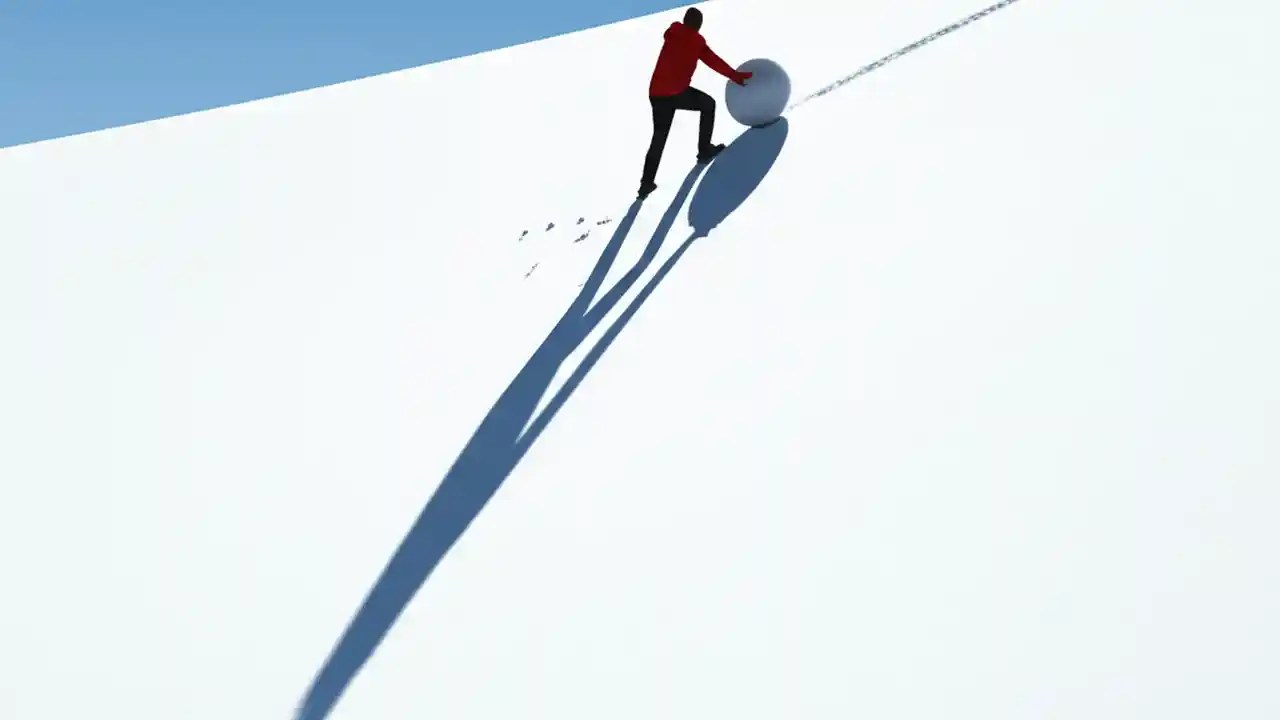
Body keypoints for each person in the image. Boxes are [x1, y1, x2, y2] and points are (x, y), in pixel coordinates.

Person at [638, 7, 752, 199]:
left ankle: (645, 185)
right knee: (708, 105)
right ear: (698, 26)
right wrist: (735, 76)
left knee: (658, 139)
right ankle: (704, 149)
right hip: (676, 94)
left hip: (657, 94)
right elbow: (713, 61)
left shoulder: (673, 32)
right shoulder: (697, 41)